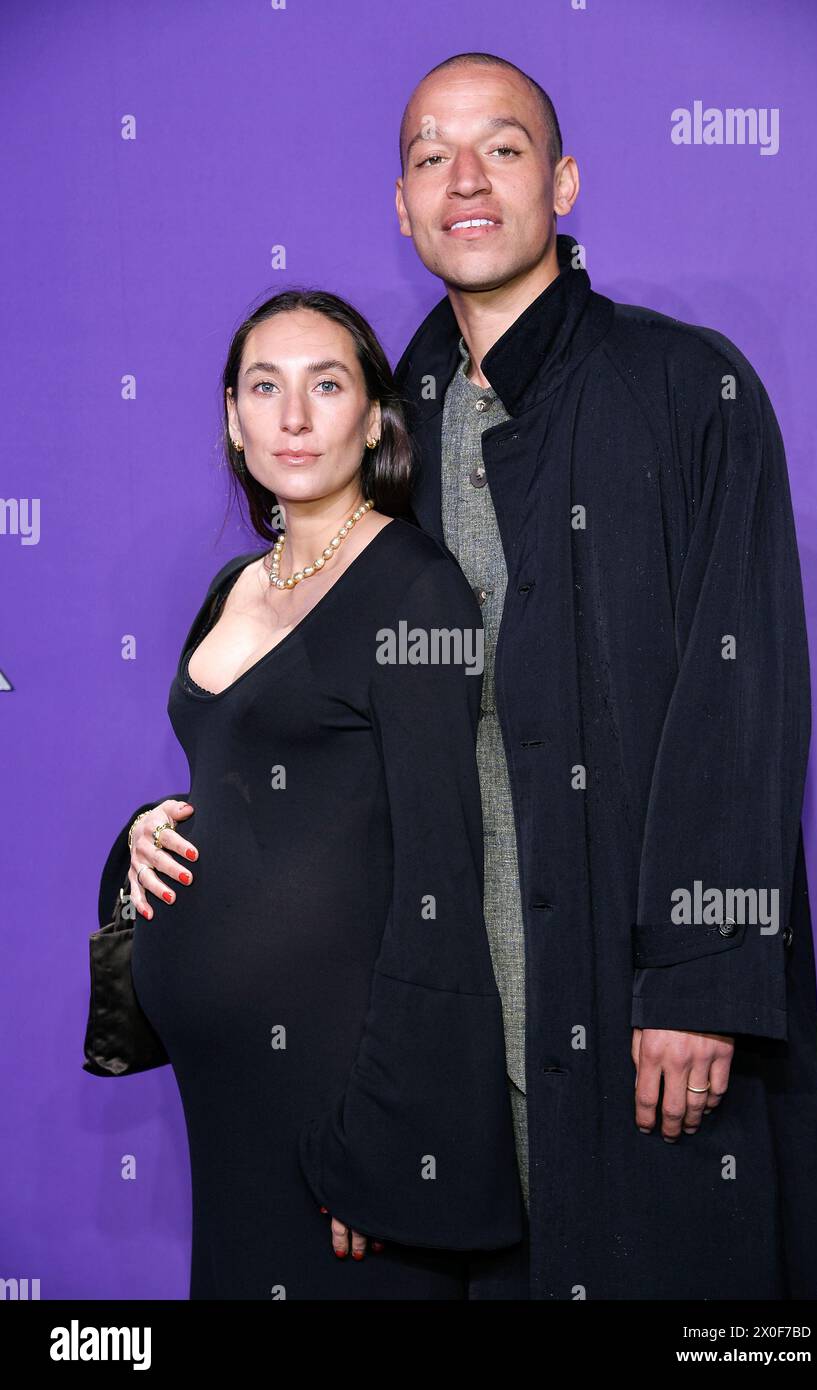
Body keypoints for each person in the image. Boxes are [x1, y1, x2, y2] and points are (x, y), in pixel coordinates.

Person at [391, 50, 817, 1299]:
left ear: (566, 182)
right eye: (432, 155)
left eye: (504, 148)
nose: (466, 180)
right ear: (401, 203)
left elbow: (741, 692)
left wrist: (697, 973)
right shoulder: (383, 426)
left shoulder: (689, 389)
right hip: (456, 1022)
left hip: (641, 1008)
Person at [96, 289, 524, 1299]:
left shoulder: (418, 590)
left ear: (373, 417)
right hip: (229, 1096)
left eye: (325, 385)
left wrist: (390, 1146)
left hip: (341, 1100)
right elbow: (235, 785)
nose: (293, 417)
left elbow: (439, 874)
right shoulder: (233, 586)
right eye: (265, 387)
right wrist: (141, 836)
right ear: (232, 419)